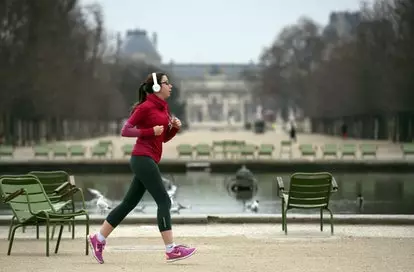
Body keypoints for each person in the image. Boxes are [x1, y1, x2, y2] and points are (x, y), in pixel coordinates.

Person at [87, 72, 196, 264]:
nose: (170, 86)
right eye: (166, 83)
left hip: (149, 159)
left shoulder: (164, 109)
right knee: (164, 201)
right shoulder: (145, 107)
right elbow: (125, 130)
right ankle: (171, 249)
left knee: (129, 203)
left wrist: (174, 129)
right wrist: (149, 131)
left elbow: (160, 138)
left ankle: (99, 238)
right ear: (156, 87)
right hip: (142, 158)